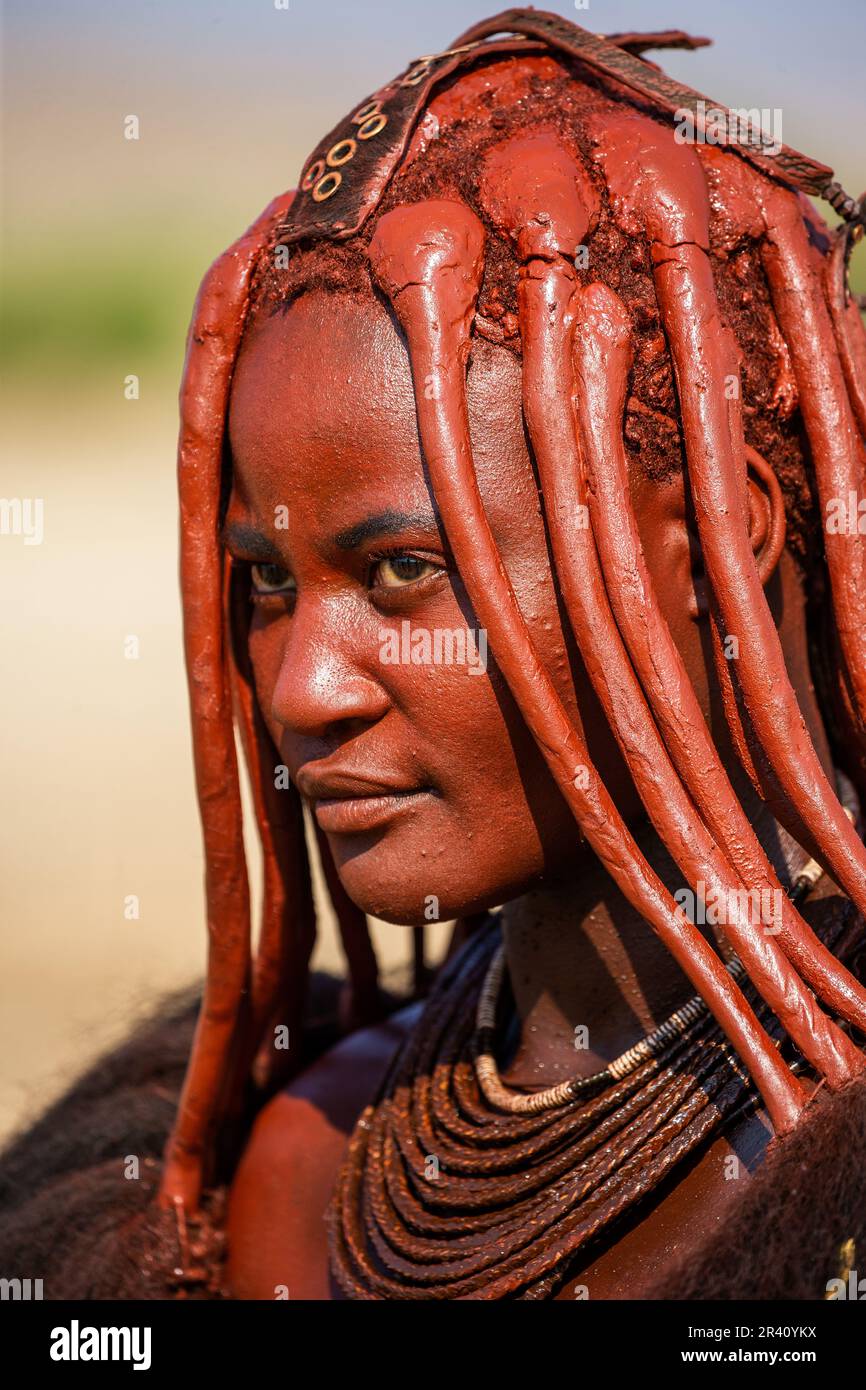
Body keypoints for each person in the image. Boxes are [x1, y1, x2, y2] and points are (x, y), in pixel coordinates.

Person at [3, 9, 865, 1301]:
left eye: (404, 569)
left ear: (713, 534)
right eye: (269, 583)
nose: (303, 689)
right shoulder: (279, 1177)